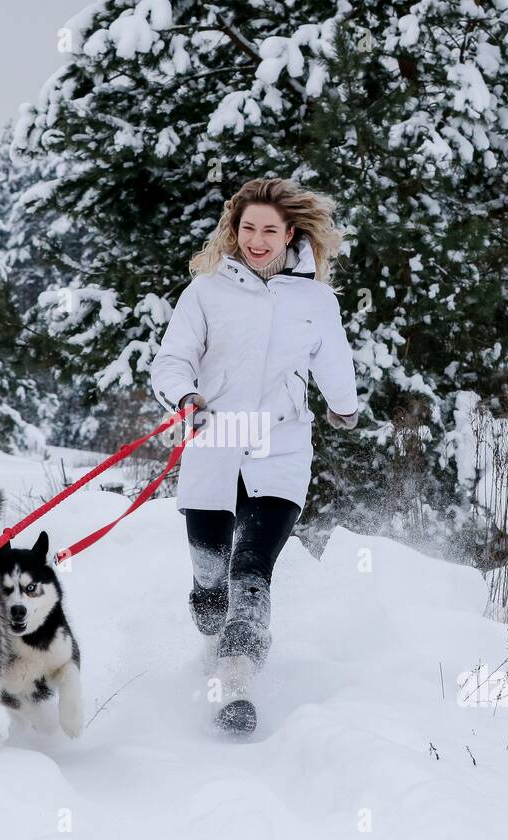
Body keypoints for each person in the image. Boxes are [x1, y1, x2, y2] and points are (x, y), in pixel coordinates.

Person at [150, 177, 360, 735]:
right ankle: (210, 619)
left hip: (281, 449)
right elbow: (171, 360)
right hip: (214, 446)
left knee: (251, 569)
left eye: (270, 230)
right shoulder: (206, 291)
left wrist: (344, 404)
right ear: (234, 230)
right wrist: (185, 397)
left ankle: (237, 686)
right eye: (249, 229)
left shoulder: (315, 300)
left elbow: (334, 360)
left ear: (290, 233)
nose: (259, 240)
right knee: (211, 581)